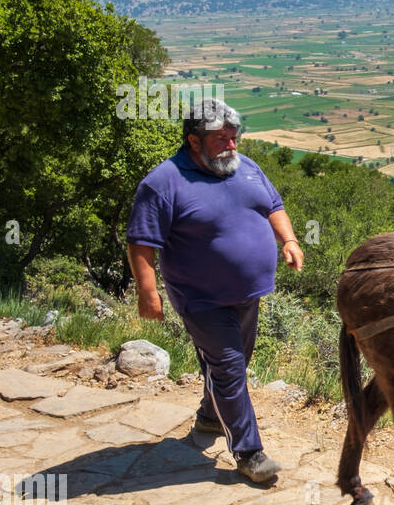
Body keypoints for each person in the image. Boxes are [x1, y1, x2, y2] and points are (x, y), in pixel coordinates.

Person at [125, 97, 303, 483]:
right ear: (194, 140)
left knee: (229, 364)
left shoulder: (247, 168)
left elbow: (273, 204)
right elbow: (141, 241)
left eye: (234, 136)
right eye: (222, 138)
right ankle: (249, 453)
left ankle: (209, 417)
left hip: (248, 293)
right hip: (200, 297)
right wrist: (148, 291)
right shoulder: (163, 182)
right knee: (229, 367)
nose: (232, 145)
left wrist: (288, 240)